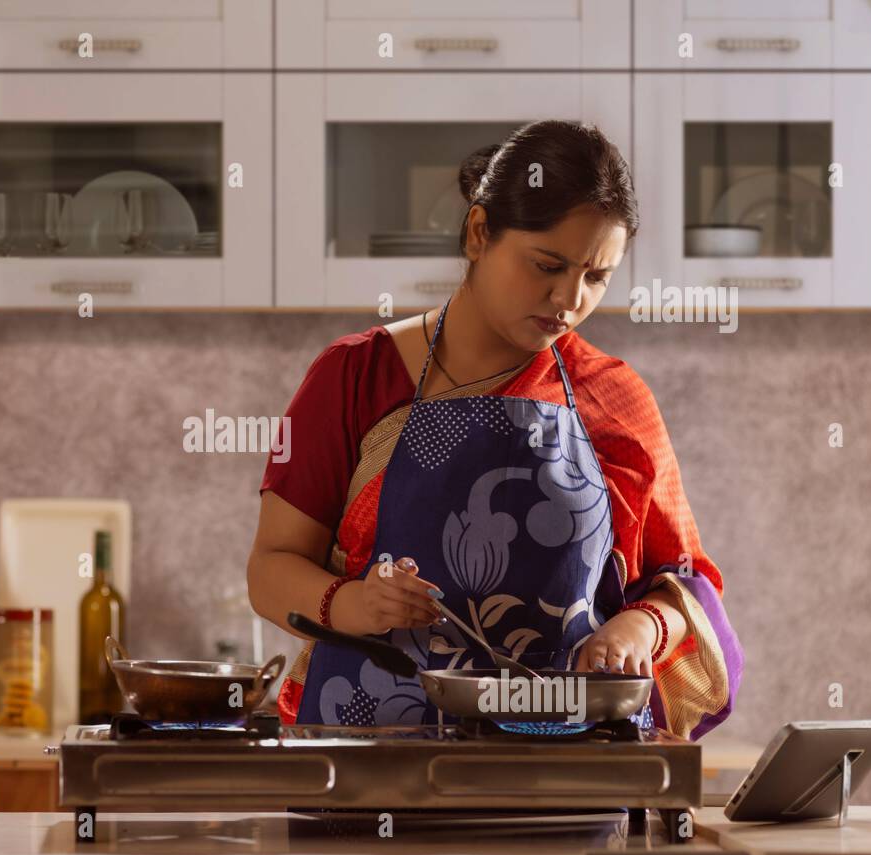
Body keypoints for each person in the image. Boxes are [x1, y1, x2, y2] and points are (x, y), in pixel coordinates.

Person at [247, 120, 742, 738]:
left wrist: (641, 626)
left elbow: (685, 582)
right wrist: (352, 604)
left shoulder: (615, 397)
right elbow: (271, 568)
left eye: (596, 276)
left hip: (565, 776)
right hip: (369, 768)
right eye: (547, 265)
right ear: (480, 233)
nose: (568, 299)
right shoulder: (354, 376)